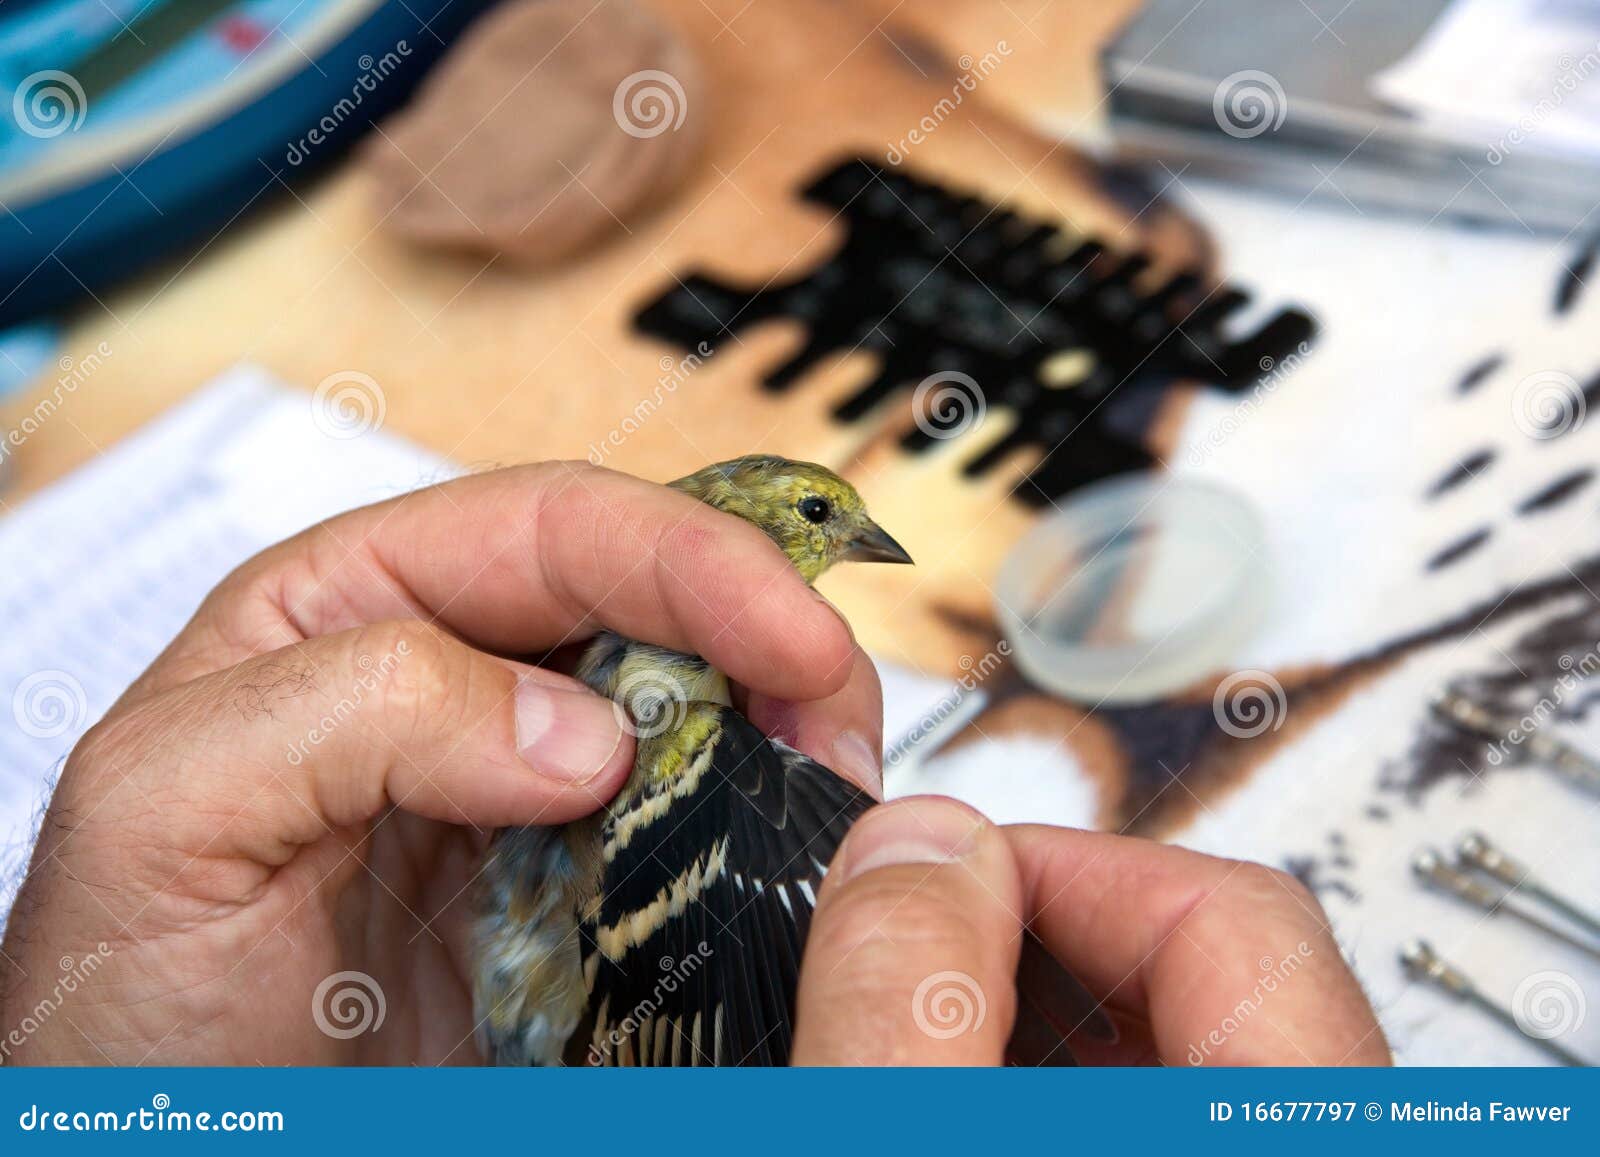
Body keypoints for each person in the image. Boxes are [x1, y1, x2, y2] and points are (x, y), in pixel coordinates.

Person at [0, 463, 1389, 1066]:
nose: (847, 539)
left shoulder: (675, 705)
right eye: (817, 517)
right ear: (746, 521)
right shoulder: (670, 707)